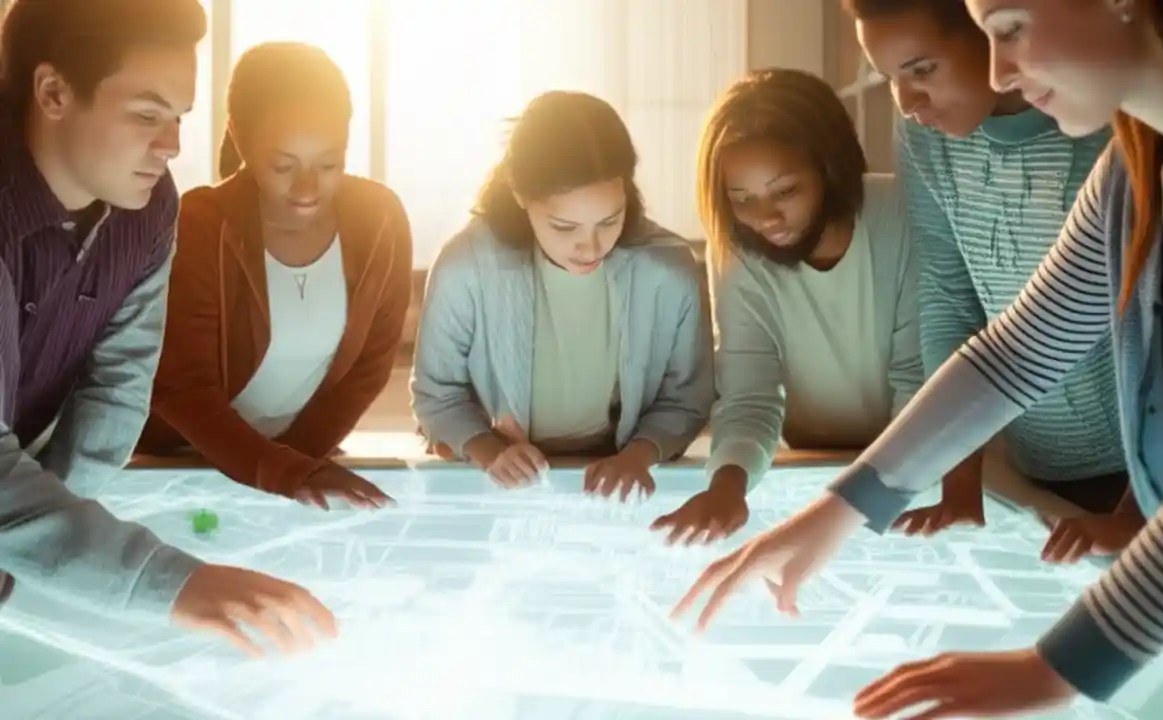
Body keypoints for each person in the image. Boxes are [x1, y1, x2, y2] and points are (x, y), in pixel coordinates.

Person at [673, 0, 1163, 716]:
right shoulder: (1137, 152)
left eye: (1010, 28)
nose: (1000, 71)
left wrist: (1055, 667)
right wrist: (839, 512)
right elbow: (1016, 352)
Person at [0, 0, 336, 656]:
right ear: (54, 92)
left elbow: (118, 386)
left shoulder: (147, 207)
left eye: (179, 118)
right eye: (148, 115)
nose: (173, 145)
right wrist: (168, 584)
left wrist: (44, 559)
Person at [852, 0, 1137, 559]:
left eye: (922, 69)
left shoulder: (1110, 129)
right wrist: (959, 486)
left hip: (1153, 470)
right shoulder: (926, 136)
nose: (907, 103)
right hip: (1045, 466)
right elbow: (948, 297)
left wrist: (1141, 505)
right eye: (889, 79)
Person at [650, 68, 921, 545]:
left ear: (830, 168)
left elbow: (917, 380)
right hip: (816, 460)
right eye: (741, 198)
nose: (764, 218)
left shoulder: (903, 212)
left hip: (921, 459)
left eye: (785, 191)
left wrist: (879, 496)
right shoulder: (739, 249)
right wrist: (728, 487)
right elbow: (750, 392)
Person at [139, 42, 410, 510]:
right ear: (240, 140)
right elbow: (182, 387)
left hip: (293, 461)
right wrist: (275, 468)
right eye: (283, 166)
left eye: (329, 164)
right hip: (181, 458)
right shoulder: (203, 223)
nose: (308, 188)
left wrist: (298, 463)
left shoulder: (380, 219)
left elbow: (369, 366)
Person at [412, 91, 713, 500]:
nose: (591, 247)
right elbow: (436, 394)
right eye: (564, 227)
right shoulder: (466, 267)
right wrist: (488, 450)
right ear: (519, 193)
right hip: (496, 473)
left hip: (615, 465)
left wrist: (638, 457)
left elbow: (687, 398)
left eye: (610, 220)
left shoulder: (668, 270)